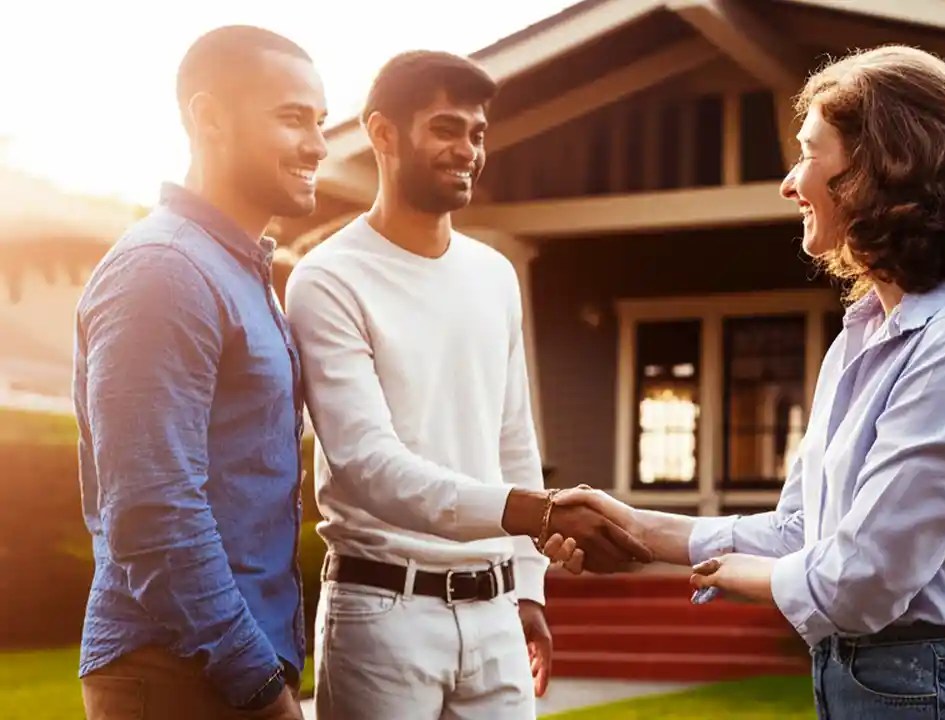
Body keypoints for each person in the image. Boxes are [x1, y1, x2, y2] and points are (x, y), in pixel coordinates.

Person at [544, 45, 945, 718]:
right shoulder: (861, 335)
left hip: (943, 687)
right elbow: (802, 533)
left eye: (811, 153)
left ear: (881, 169)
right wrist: (636, 529)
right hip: (876, 684)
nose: (789, 183)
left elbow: (866, 579)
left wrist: (740, 575)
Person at [284, 51, 650, 720]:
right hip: (383, 618)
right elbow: (369, 467)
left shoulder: (494, 274)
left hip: (496, 617)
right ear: (383, 135)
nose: (469, 150)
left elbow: (514, 438)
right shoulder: (329, 280)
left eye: (478, 133)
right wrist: (538, 514)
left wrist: (530, 585)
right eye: (447, 129)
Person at [74, 25, 327, 720]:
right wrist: (260, 690)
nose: (318, 145)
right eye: (293, 118)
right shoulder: (165, 270)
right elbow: (153, 512)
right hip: (181, 673)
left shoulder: (238, 271)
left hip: (223, 668)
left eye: (321, 122)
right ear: (209, 118)